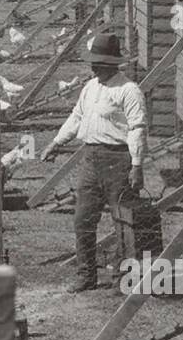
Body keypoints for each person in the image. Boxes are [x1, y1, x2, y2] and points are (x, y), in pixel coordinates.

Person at [40, 32, 147, 291]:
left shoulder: (128, 90)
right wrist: (56, 142)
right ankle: (86, 274)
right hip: (91, 159)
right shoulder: (91, 87)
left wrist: (136, 164)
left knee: (123, 220)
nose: (94, 66)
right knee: (83, 218)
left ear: (112, 62)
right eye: (93, 61)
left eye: (99, 62)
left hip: (118, 160)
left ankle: (126, 278)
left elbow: (137, 128)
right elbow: (76, 117)